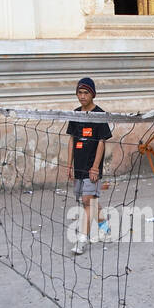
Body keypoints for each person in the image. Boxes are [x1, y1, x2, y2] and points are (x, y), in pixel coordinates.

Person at [66, 77, 111, 255]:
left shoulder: (99, 115)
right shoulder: (75, 114)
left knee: (87, 201)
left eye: (86, 93)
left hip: (92, 167)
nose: (82, 96)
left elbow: (101, 142)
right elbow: (71, 140)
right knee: (90, 200)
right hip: (78, 166)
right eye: (79, 92)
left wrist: (95, 167)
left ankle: (81, 239)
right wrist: (69, 165)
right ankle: (105, 228)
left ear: (93, 94)